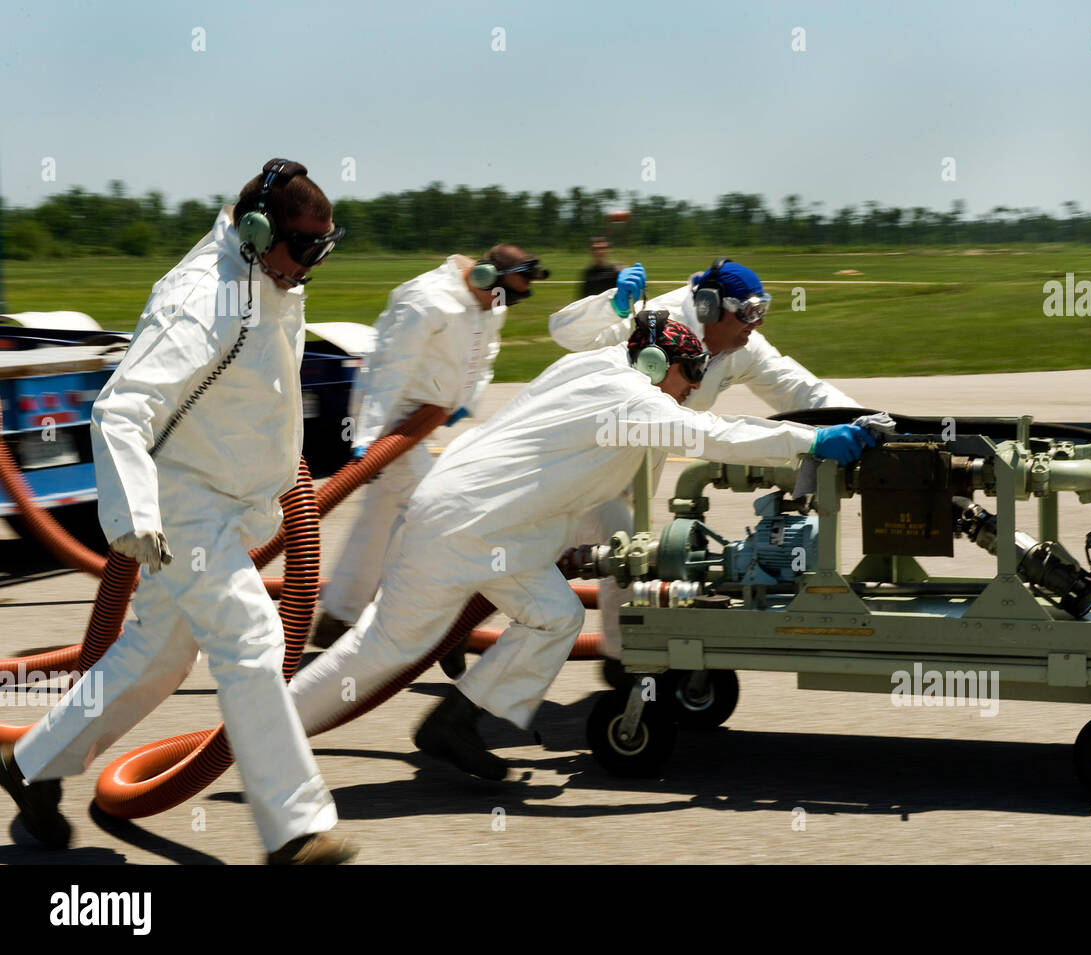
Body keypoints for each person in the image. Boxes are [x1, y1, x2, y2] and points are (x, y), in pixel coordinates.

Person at [286, 316, 874, 780]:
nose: (692, 389)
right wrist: (813, 438)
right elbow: (712, 436)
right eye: (688, 377)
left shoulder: (591, 366)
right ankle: (264, 735)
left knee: (557, 616)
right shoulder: (634, 402)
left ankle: (454, 722)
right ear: (653, 363)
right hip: (461, 526)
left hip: (493, 530)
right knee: (381, 650)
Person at [0, 159, 355, 864]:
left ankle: (32, 765)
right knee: (252, 639)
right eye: (303, 247)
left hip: (229, 502)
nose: (310, 264)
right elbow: (122, 408)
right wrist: (134, 520)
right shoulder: (203, 296)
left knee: (157, 657)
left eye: (324, 246)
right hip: (183, 510)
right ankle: (298, 830)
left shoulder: (272, 274)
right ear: (256, 230)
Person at [550, 258, 858, 668]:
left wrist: (867, 424)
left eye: (761, 310)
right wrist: (613, 306)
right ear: (711, 307)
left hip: (635, 465)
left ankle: (617, 652)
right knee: (616, 549)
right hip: (584, 457)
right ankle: (626, 660)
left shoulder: (739, 348)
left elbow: (800, 390)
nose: (757, 323)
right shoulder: (655, 323)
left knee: (589, 554)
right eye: (748, 312)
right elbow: (565, 333)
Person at [311, 246, 550, 675]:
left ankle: (339, 618)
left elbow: (488, 354)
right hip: (390, 424)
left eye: (513, 300)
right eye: (504, 295)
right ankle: (434, 625)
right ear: (482, 277)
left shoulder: (490, 302)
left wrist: (464, 400)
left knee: (380, 517)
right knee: (440, 511)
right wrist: (367, 437)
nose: (505, 307)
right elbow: (389, 371)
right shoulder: (425, 301)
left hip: (424, 420)